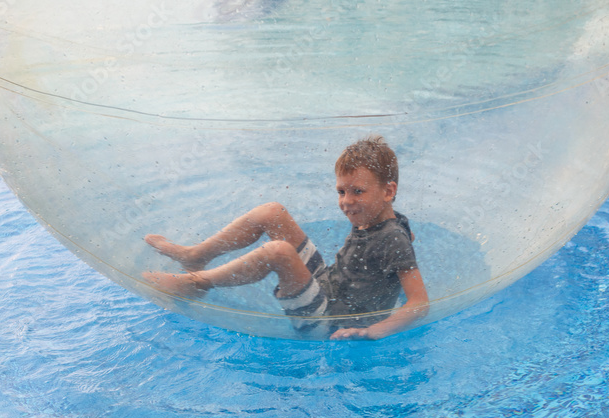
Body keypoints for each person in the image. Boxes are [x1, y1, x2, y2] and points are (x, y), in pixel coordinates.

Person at [143, 136, 429, 340]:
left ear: (388, 192)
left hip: (329, 320)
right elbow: (405, 236)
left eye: (357, 192)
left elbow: (419, 302)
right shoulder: (388, 223)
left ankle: (197, 284)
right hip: (326, 286)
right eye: (341, 191)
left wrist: (373, 330)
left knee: (278, 251)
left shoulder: (393, 238)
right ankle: (197, 256)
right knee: (272, 212)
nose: (346, 202)